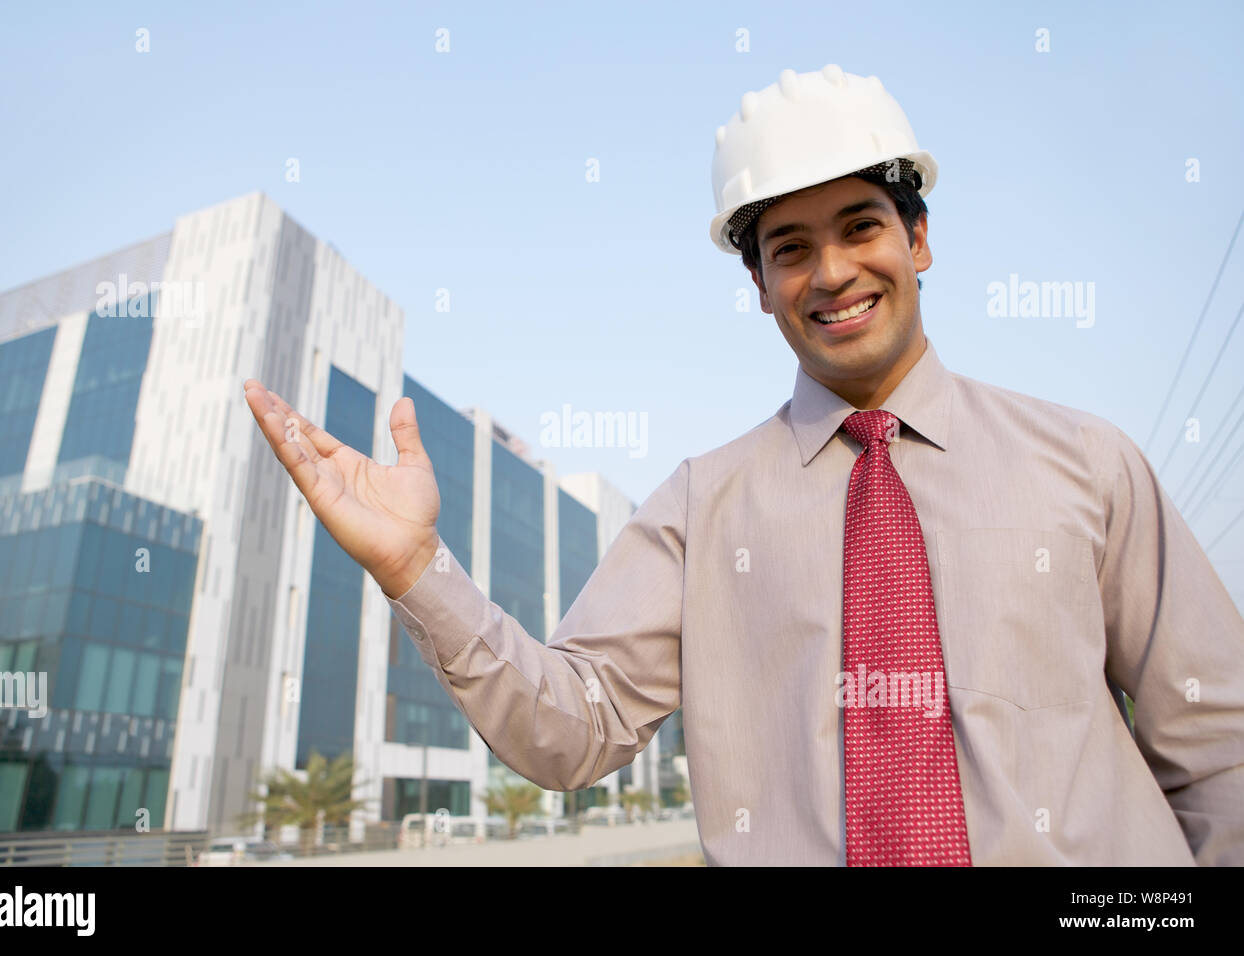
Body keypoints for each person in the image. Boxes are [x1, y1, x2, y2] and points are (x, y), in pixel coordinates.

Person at [243, 65, 1244, 865]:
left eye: (860, 226)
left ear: (919, 237)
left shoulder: (1086, 463)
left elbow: (1216, 744)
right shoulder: (697, 507)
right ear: (760, 285)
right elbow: (570, 730)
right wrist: (417, 567)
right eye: (790, 248)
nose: (833, 272)